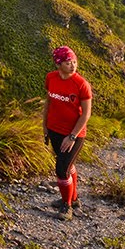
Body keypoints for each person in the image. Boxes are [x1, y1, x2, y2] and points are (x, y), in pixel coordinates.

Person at [42, 45, 93, 221]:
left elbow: (86, 114)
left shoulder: (81, 84)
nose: (73, 65)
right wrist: (44, 125)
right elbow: (48, 102)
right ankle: (74, 198)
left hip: (74, 134)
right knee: (68, 166)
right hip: (54, 130)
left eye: (74, 62)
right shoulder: (51, 78)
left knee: (62, 169)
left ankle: (67, 205)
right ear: (58, 64)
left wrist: (72, 136)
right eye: (68, 62)